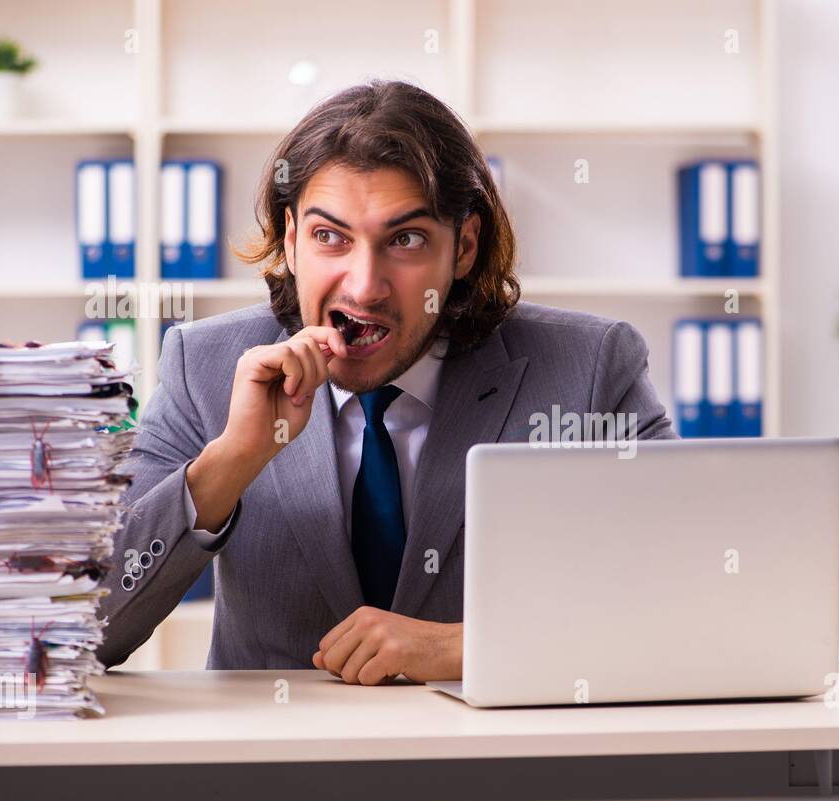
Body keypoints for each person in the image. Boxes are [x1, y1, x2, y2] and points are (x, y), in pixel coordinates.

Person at [96, 80, 676, 683]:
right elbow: (89, 629)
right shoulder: (204, 365)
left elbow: (686, 600)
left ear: (465, 248)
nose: (364, 284)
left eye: (405, 240)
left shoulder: (588, 367)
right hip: (276, 766)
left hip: (499, 767)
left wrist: (465, 648)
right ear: (291, 241)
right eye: (330, 237)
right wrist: (233, 459)